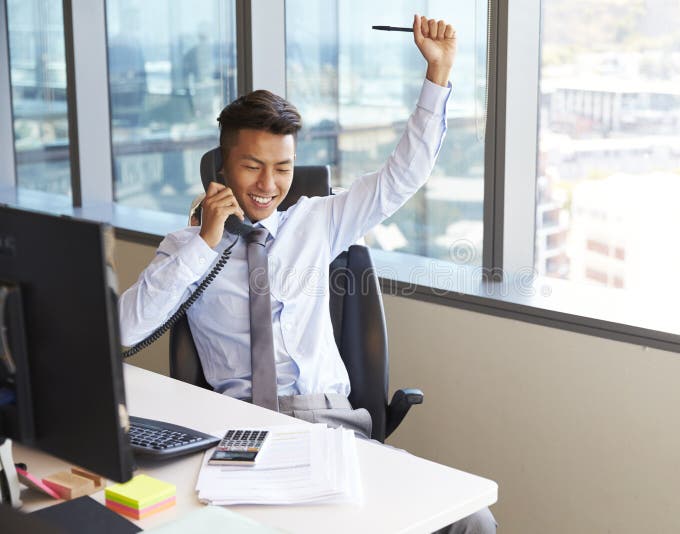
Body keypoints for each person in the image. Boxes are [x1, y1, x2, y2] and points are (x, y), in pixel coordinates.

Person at [119, 15, 495, 533]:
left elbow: (402, 175)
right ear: (222, 168)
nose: (269, 185)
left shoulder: (318, 222)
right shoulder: (188, 250)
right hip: (239, 434)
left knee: (472, 520)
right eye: (252, 166)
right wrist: (204, 243)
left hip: (329, 427)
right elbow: (121, 332)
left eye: (283, 168)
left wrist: (438, 74)